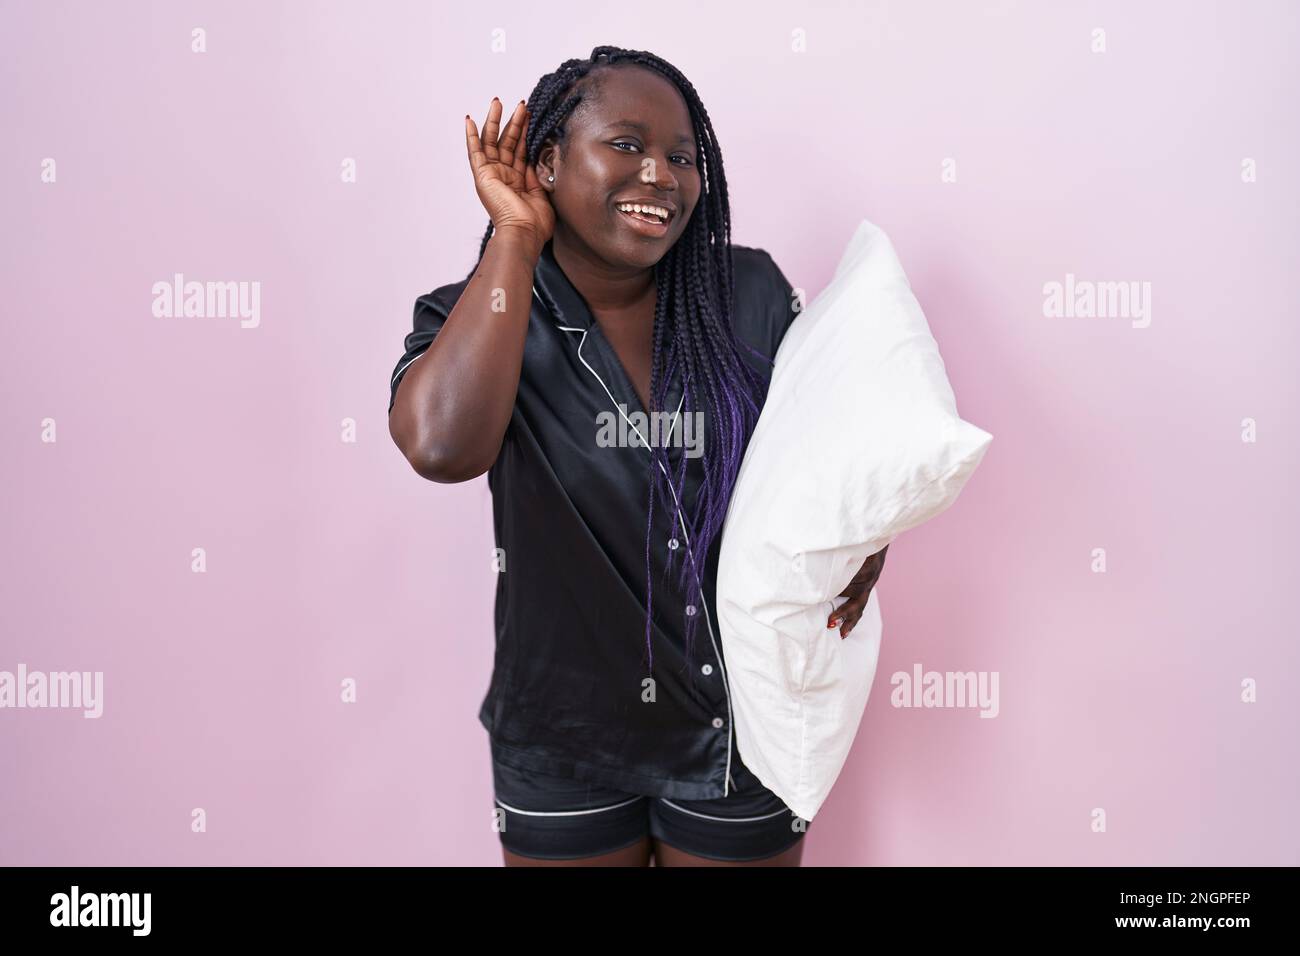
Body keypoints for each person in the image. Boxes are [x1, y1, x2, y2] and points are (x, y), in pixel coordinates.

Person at [388, 46, 886, 867]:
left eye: (684, 157)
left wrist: (869, 533)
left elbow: (831, 456)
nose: (661, 174)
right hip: (562, 733)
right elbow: (441, 447)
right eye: (626, 144)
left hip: (739, 729)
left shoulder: (750, 296)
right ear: (546, 162)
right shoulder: (481, 312)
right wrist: (514, 236)